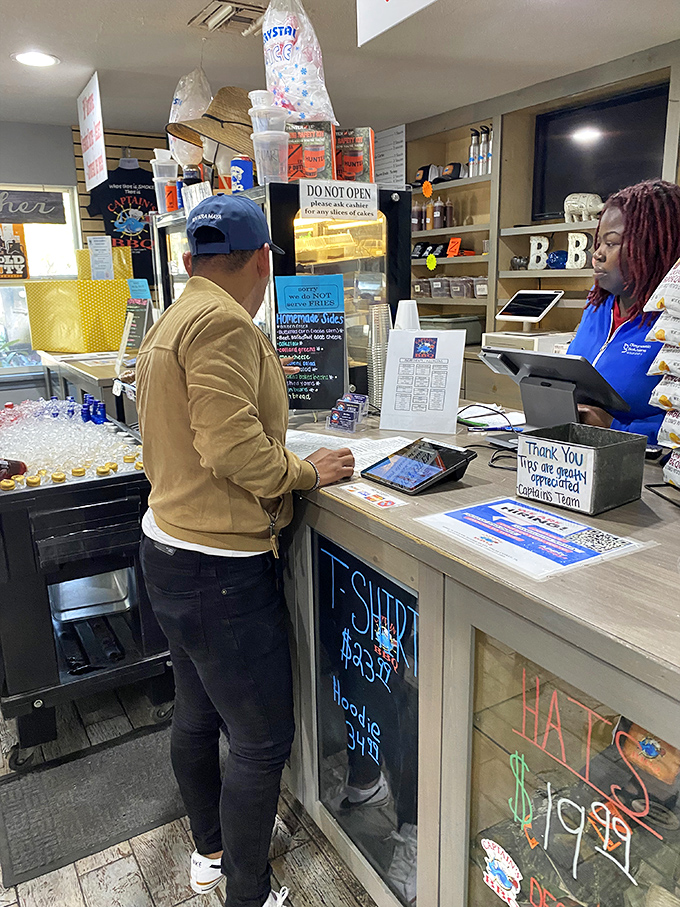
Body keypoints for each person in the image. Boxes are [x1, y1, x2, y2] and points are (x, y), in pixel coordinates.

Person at [136, 193, 355, 907]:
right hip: (220, 569)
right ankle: (248, 892)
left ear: (190, 258)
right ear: (263, 259)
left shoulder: (174, 316)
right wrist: (305, 471)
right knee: (261, 740)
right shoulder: (225, 325)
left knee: (197, 714)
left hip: (166, 547)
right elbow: (232, 448)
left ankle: (210, 852)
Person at [568, 179, 680, 443]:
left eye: (612, 243)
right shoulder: (597, 306)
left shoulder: (672, 324)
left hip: (647, 472)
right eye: (599, 242)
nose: (597, 254)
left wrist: (616, 427)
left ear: (651, 246)